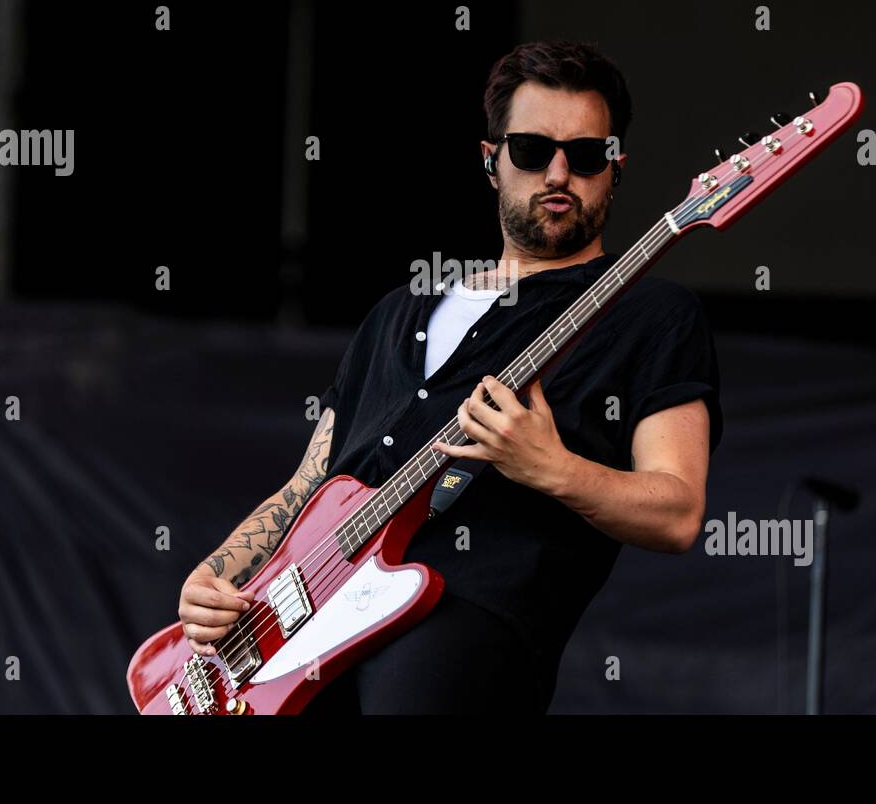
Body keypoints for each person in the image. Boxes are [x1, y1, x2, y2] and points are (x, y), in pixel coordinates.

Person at [176, 40, 722, 713]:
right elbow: (308, 487)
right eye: (530, 150)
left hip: (463, 625)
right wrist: (217, 574)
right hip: (303, 631)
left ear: (616, 169)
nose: (558, 173)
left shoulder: (650, 313)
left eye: (585, 156)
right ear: (490, 161)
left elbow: (678, 513)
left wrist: (554, 468)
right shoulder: (397, 312)